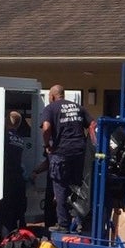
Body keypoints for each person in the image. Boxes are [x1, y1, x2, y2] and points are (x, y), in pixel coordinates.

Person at [39, 86, 95, 231]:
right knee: (78, 188)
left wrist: (47, 145)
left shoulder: (50, 108)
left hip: (61, 152)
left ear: (52, 97)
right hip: (80, 153)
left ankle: (63, 224)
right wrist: (92, 144)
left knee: (60, 189)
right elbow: (93, 124)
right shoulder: (78, 107)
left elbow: (46, 128)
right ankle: (80, 223)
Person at [0, 110, 27, 234]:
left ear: (5, 121)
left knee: (6, 214)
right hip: (18, 178)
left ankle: (6, 245)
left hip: (7, 178)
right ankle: (14, 242)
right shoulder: (20, 139)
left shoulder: (3, 137)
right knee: (17, 213)